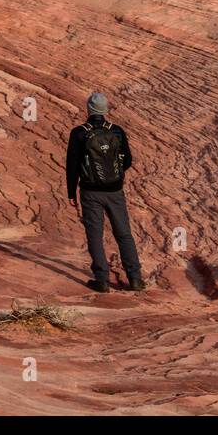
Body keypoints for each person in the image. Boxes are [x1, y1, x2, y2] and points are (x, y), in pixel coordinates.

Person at [66, 92, 145, 292]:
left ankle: (101, 280)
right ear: (105, 110)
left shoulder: (79, 133)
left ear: (89, 109)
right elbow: (127, 160)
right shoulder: (117, 131)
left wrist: (71, 193)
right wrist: (112, 177)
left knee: (95, 235)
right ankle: (135, 279)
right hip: (115, 190)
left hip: (90, 191)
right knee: (124, 234)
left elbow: (72, 166)